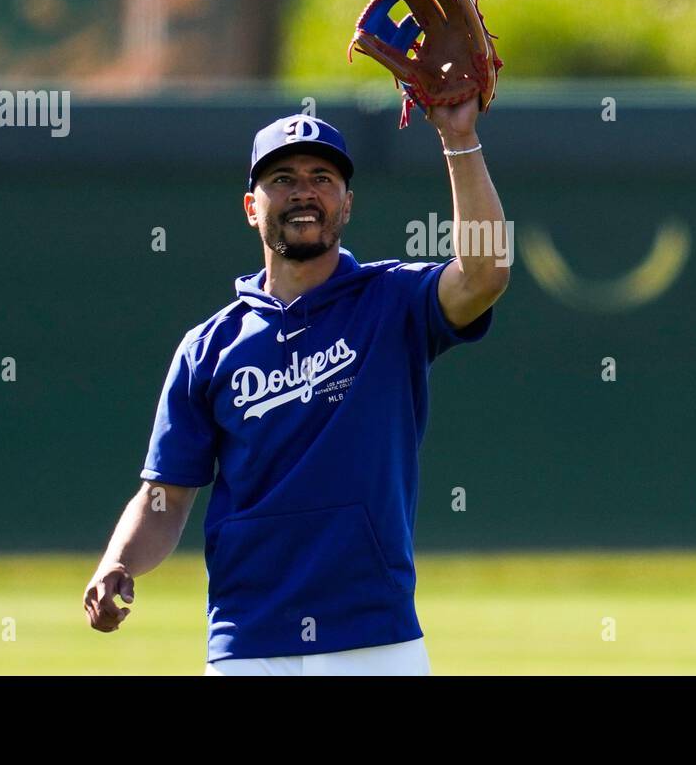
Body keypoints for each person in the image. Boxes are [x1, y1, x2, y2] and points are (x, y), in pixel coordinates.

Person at [83, 97, 508, 675]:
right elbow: (166, 496)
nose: (303, 191)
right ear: (251, 207)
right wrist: (118, 560)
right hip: (247, 639)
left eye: (322, 178)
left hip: (373, 634)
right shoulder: (208, 348)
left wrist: (459, 140)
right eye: (282, 179)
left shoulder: (391, 302)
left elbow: (485, 273)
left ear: (347, 203)